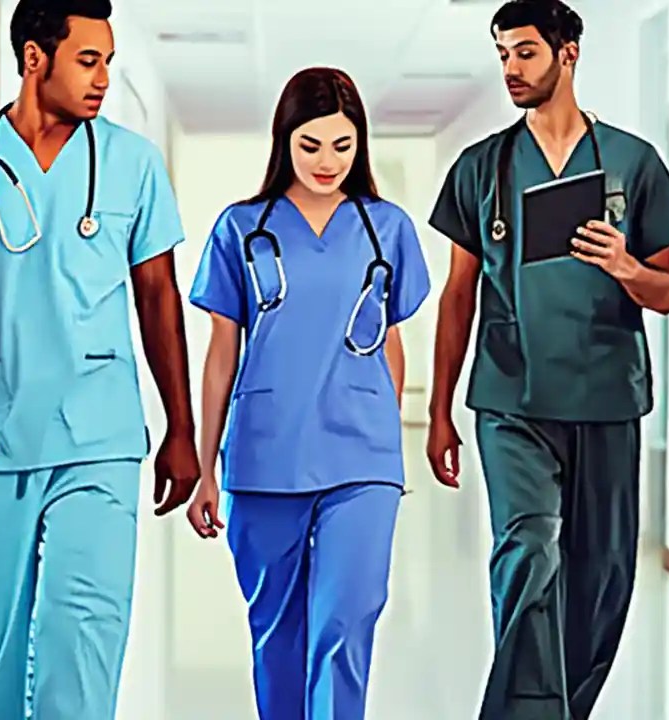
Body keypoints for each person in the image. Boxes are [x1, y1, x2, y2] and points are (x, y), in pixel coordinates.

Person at [0, 1, 201, 717]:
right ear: (36, 59)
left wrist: (180, 428)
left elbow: (158, 298)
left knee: (82, 634)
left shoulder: (131, 163)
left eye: (108, 62)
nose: (102, 79)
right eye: (87, 61)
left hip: (99, 435)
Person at [426, 2, 669, 718]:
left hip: (607, 396)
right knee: (529, 550)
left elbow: (667, 292)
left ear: (568, 54)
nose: (510, 69)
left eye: (524, 53)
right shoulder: (480, 166)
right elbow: (459, 296)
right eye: (503, 55)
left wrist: (625, 266)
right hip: (512, 399)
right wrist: (438, 410)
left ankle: (561, 710)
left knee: (602, 579)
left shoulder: (632, 162)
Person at [184, 66, 431, 719]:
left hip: (363, 463)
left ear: (361, 145)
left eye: (343, 146)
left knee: (346, 625)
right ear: (284, 141)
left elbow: (390, 340)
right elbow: (219, 357)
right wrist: (206, 468)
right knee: (277, 637)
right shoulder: (241, 228)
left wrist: (386, 439)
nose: (328, 162)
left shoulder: (387, 227)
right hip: (267, 459)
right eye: (311, 145)